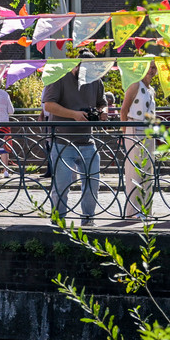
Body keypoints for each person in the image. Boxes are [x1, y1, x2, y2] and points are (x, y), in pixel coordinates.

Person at [42, 63, 106, 224]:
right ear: (76, 66)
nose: (89, 76)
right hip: (63, 141)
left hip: (88, 141)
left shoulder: (96, 80)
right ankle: (58, 221)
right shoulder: (58, 76)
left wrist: (103, 111)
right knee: (61, 187)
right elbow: (48, 105)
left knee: (93, 185)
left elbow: (102, 103)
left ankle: (88, 220)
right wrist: (74, 115)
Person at [119, 64, 158, 219]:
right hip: (134, 127)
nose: (151, 70)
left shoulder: (151, 90)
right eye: (149, 66)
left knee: (148, 171)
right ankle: (133, 211)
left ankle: (146, 209)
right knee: (134, 171)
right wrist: (125, 132)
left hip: (149, 131)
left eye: (154, 67)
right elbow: (124, 109)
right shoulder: (135, 85)